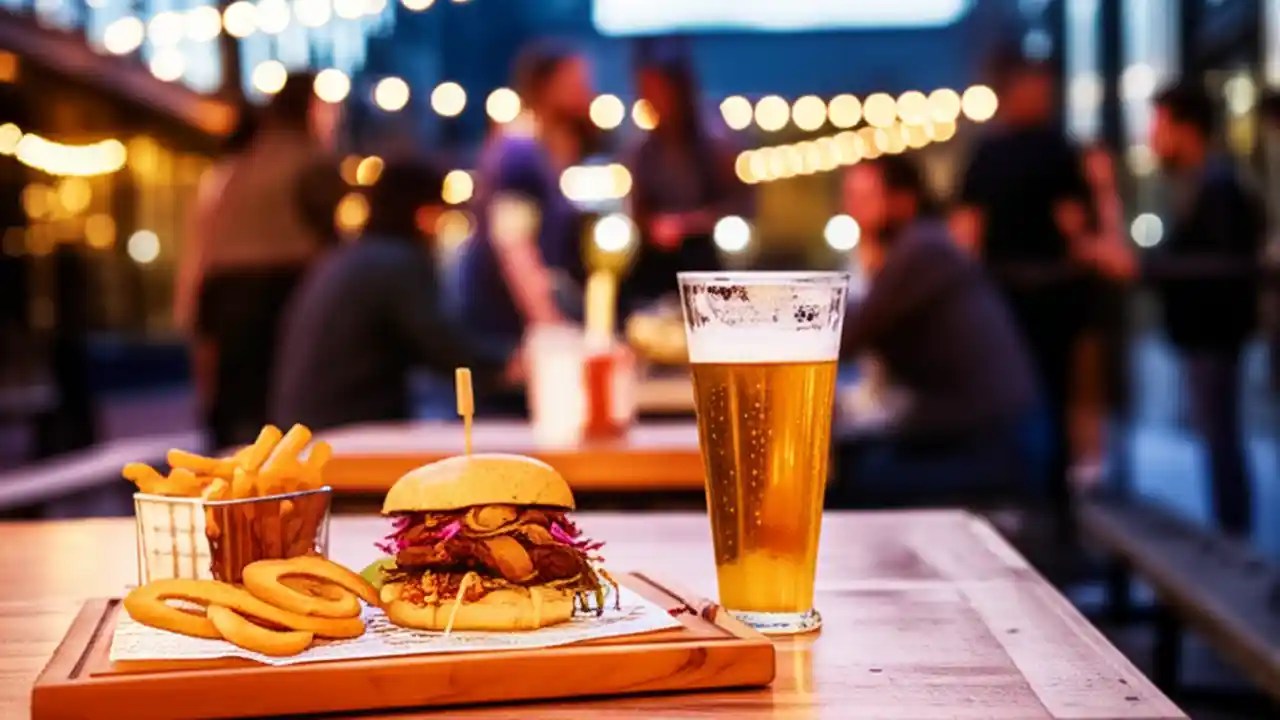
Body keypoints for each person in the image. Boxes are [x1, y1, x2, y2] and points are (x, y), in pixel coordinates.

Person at [837, 156, 1039, 505]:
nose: (853, 210)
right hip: (974, 434)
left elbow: (849, 333)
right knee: (859, 462)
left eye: (864, 198)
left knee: (859, 477)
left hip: (995, 445)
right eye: (850, 198)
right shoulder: (922, 247)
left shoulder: (922, 251)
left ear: (903, 200)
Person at [954, 55, 1094, 537]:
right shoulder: (1056, 149)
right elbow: (1072, 224)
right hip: (1042, 292)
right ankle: (1049, 504)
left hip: (1014, 295)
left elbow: (969, 233)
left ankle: (1033, 500)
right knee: (1047, 399)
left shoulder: (993, 153)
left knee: (1022, 398)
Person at [271, 160, 514, 431]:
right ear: (423, 214)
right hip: (345, 432)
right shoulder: (395, 262)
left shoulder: (348, 256)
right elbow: (441, 346)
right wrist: (509, 364)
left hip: (306, 425)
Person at [175, 73, 343, 447]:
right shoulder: (309, 161)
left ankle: (231, 494)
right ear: (311, 107)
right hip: (282, 292)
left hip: (222, 295)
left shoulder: (236, 163)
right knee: (282, 416)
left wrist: (190, 309)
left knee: (233, 416)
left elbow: (202, 243)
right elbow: (332, 243)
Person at [1148, 81, 1264, 538]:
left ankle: (1233, 543)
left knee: (1221, 438)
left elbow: (1215, 262)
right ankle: (1232, 538)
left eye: (1159, 124)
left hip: (1216, 331)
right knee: (1218, 437)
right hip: (1212, 332)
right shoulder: (1203, 182)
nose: (1152, 136)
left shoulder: (1216, 185)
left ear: (1185, 128)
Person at [456, 41, 594, 355]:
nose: (586, 91)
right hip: (505, 331)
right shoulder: (519, 152)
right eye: (576, 81)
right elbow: (514, 247)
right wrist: (550, 327)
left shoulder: (540, 148)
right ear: (548, 86)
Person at [622, 39, 749, 308]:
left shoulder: (713, 145)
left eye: (655, 88)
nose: (648, 97)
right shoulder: (643, 150)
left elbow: (740, 204)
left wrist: (686, 224)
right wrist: (654, 226)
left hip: (702, 261)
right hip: (652, 268)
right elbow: (637, 212)